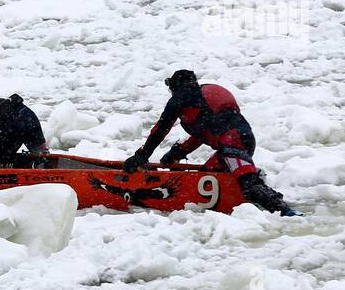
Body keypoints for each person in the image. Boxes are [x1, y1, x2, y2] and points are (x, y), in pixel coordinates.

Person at [122, 70, 298, 215]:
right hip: (241, 140)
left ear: (175, 87)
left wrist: (141, 156)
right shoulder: (203, 98)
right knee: (208, 177)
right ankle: (244, 193)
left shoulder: (182, 97)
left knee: (249, 185)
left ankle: (287, 213)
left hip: (233, 143)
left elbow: (160, 129)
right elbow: (205, 132)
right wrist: (179, 152)